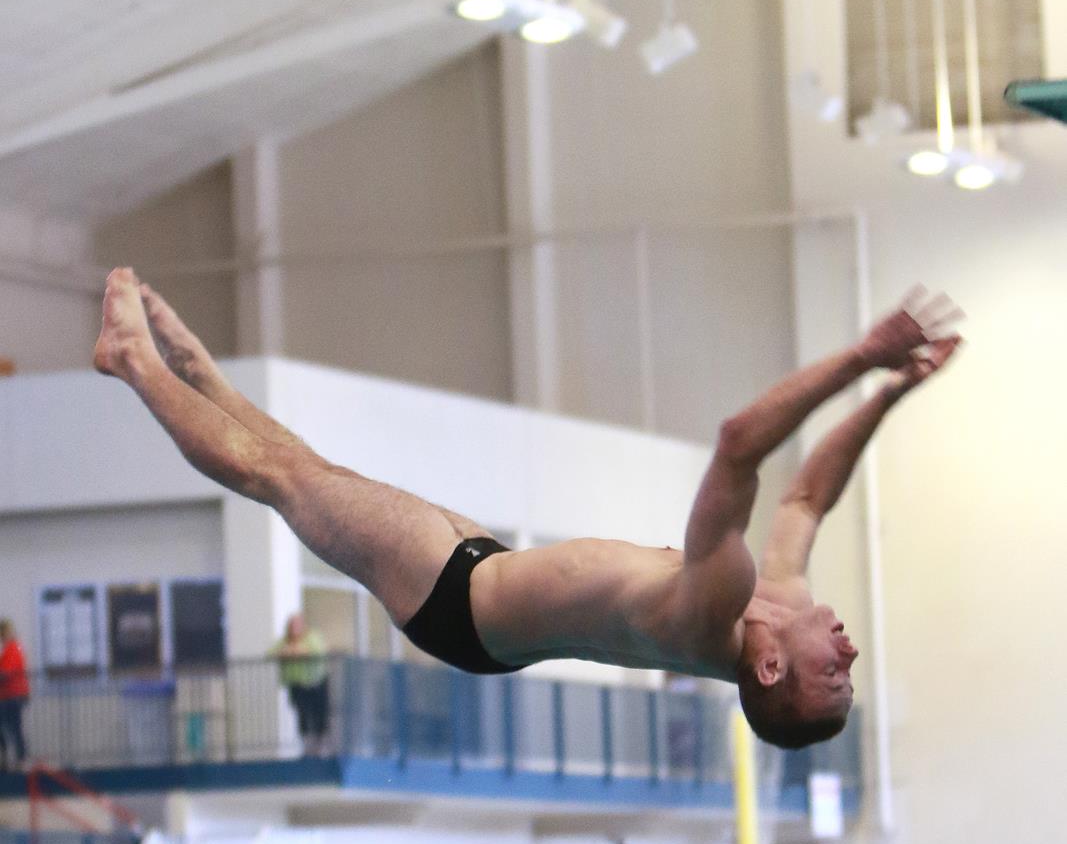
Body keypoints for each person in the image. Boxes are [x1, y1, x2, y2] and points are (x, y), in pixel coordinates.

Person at [94, 271, 963, 749]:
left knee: (282, 481)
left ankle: (133, 361)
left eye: (834, 670)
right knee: (310, 473)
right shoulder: (780, 599)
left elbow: (739, 443)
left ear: (771, 672)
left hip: (455, 603)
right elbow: (809, 491)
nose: (847, 647)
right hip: (484, 578)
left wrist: (858, 356)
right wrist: (887, 395)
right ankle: (202, 379)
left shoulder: (712, 613)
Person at [270, 613, 331, 755]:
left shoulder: (312, 637)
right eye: (292, 626)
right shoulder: (285, 641)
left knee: (319, 713)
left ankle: (320, 745)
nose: (294, 629)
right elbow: (272, 652)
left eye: (297, 625)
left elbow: (319, 650)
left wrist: (300, 651)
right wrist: (287, 652)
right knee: (302, 713)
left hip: (316, 682)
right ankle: (307, 746)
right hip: (297, 684)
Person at [0, 619, 30, 771]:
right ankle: (13, 758)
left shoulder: (12, 649)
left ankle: (19, 759)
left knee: (12, 728)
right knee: (12, 727)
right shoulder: (10, 650)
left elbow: (6, 673)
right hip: (10, 695)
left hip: (12, 695)